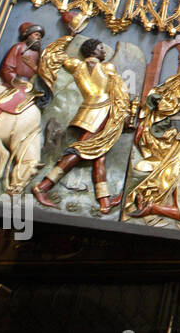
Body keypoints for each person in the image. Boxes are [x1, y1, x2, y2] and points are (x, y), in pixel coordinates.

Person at [31, 36, 133, 215]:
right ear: (94, 50)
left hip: (86, 110)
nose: (104, 51)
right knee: (82, 150)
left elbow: (55, 55)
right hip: (103, 111)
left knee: (98, 155)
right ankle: (43, 187)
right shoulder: (108, 67)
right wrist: (124, 113)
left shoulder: (75, 65)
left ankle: (104, 201)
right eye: (102, 47)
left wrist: (69, 35)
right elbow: (119, 92)